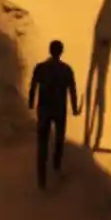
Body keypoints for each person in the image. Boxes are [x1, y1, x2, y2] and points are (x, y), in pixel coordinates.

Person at [27, 40, 80, 190]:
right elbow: (72, 90)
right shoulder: (66, 69)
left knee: (42, 143)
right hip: (59, 109)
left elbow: (33, 87)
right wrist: (75, 108)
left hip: (44, 110)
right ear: (61, 51)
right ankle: (56, 166)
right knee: (59, 139)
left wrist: (31, 103)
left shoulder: (40, 68)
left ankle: (42, 178)